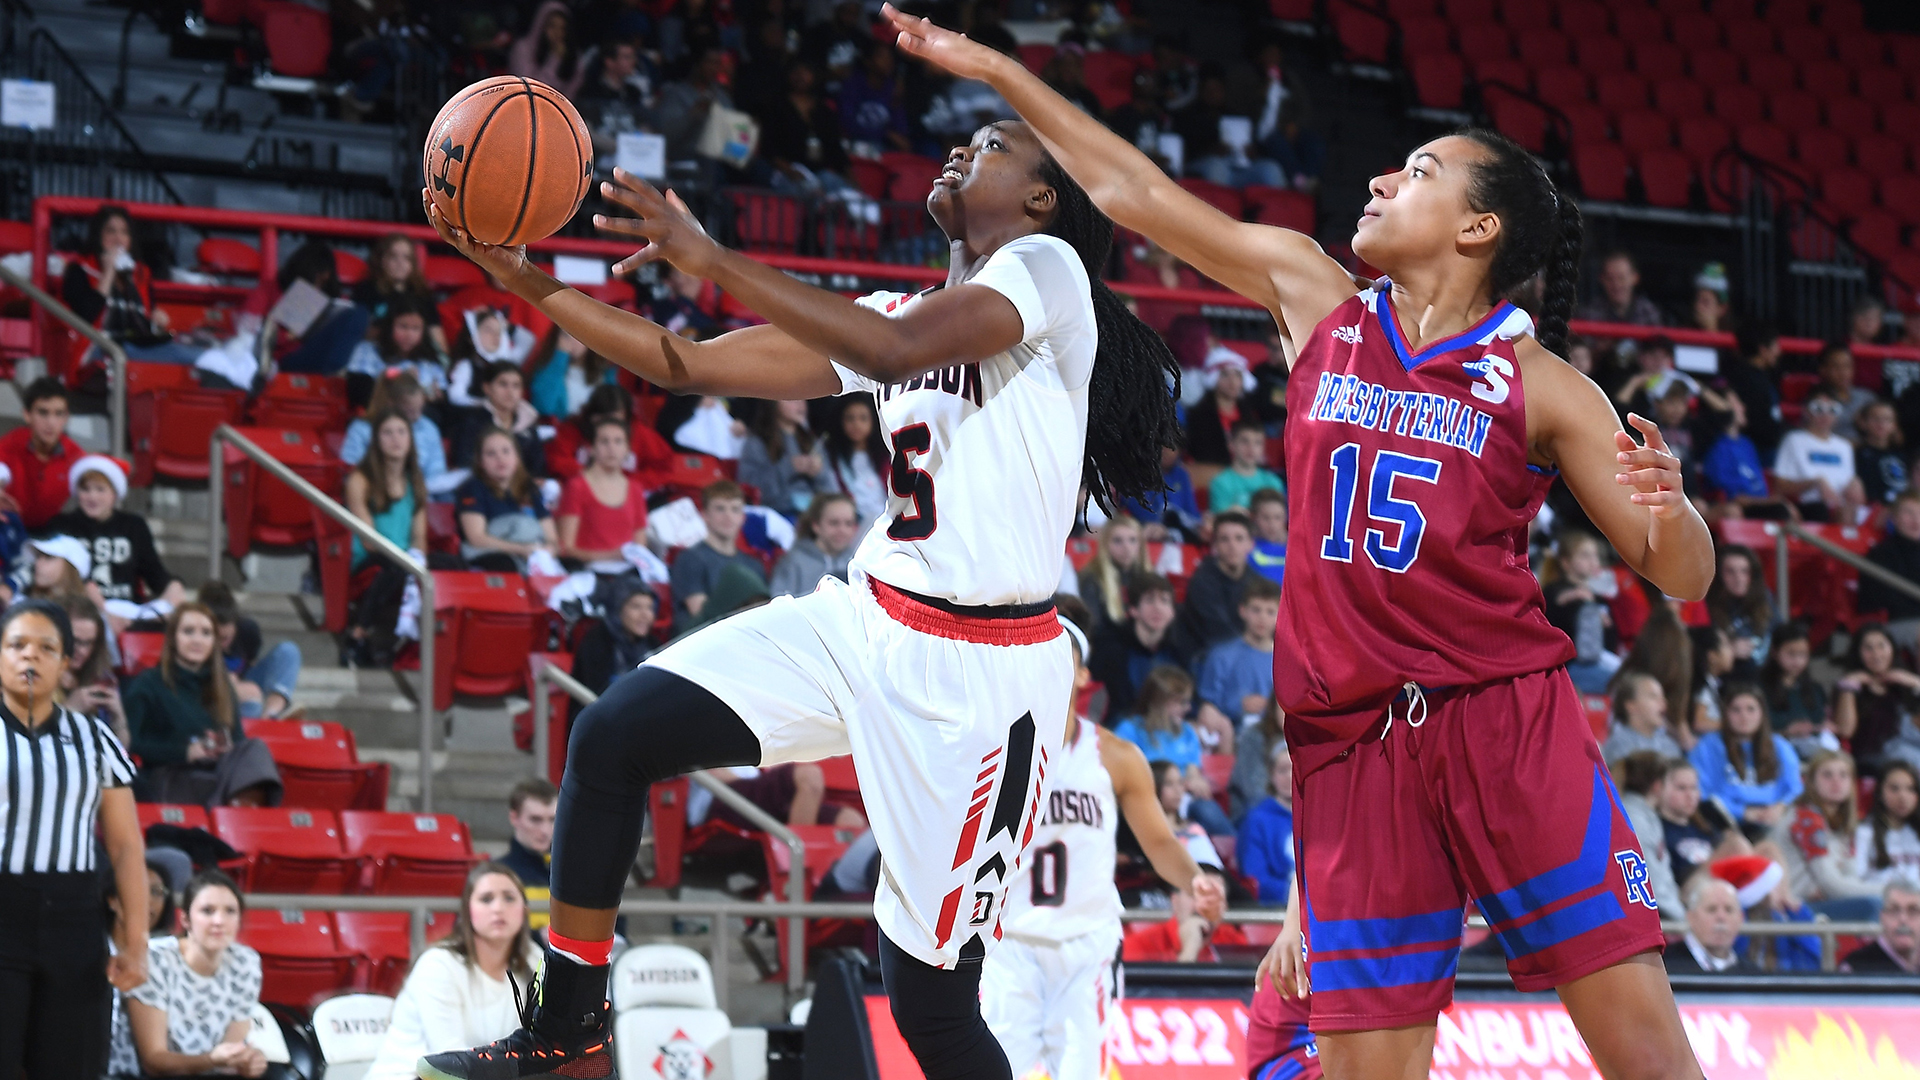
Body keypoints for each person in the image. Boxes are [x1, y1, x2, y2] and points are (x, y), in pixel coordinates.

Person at [856, 52, 1729, 1059]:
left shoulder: (1543, 384)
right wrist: (996, 69)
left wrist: (1675, 514)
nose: (1381, 181)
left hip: (1504, 723)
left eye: (1417, 172)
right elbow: (1136, 193)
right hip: (1353, 752)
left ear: (1475, 228)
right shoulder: (1318, 300)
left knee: (1648, 1056)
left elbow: (1683, 575)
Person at [420, 104, 1183, 1080]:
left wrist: (711, 258)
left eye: (994, 146)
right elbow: (682, 361)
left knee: (934, 1007)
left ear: (1041, 195)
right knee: (612, 735)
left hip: (981, 684)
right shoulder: (899, 318)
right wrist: (522, 280)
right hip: (863, 620)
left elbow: (891, 355)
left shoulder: (1047, 272)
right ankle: (569, 1026)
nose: (962, 149)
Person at [981, 611, 1219, 1080]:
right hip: (1008, 942)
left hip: (1085, 944)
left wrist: (1197, 880)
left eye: (1060, 651)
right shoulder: (990, 745)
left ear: (1083, 673)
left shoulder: (1116, 756)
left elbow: (1157, 841)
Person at [0, 599, 147, 1080]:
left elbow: (125, 847)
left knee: (72, 1066)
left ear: (66, 664)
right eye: (17, 644)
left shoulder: (96, 739)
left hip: (74, 922)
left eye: (46, 648)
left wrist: (137, 943)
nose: (30, 657)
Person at [368, 863, 543, 1080]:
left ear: (524, 910)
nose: (498, 908)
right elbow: (451, 1062)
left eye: (509, 898)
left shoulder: (534, 960)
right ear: (467, 912)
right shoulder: (438, 965)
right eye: (486, 899)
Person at [125, 603, 281, 809]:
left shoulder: (222, 686)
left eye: (206, 633)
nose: (197, 640)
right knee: (215, 782)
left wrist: (225, 747)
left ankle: (240, 821)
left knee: (255, 748)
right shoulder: (149, 683)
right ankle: (235, 820)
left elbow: (239, 742)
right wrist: (186, 752)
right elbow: (131, 743)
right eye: (188, 632)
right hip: (171, 775)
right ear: (172, 638)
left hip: (218, 771)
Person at [122, 870, 265, 1079]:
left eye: (230, 911)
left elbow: (230, 1054)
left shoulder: (246, 962)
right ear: (186, 919)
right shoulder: (154, 959)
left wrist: (247, 1062)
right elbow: (153, 1061)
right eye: (207, 911)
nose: (219, 921)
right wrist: (210, 1060)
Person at [59, 205, 200, 364]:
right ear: (98, 236)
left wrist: (157, 321)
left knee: (189, 354)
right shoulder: (79, 269)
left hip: (137, 348)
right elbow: (84, 317)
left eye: (124, 232)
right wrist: (108, 273)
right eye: (111, 231)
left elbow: (142, 325)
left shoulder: (140, 274)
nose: (119, 238)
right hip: (97, 349)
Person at [47, 454, 186, 614]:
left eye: (100, 489)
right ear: (77, 492)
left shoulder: (134, 526)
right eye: (86, 489)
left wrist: (174, 586)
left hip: (128, 612)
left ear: (114, 493)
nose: (93, 497)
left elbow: (155, 574)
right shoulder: (62, 525)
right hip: (79, 612)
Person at [342, 410, 428, 667]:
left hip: (404, 558)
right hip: (371, 557)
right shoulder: (360, 479)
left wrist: (418, 558)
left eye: (402, 432)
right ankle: (360, 632)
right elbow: (368, 539)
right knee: (395, 567)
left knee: (452, 566)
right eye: (387, 433)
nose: (395, 439)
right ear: (376, 440)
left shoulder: (415, 481)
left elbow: (420, 535)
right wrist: (408, 561)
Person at [1111, 667, 1234, 836]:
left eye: (1188, 701)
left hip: (1181, 798)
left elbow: (1192, 771)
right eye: (1181, 702)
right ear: (1159, 700)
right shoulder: (1129, 730)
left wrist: (1195, 781)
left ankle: (1231, 857)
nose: (1188, 708)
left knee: (1206, 808)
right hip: (1146, 799)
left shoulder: (1187, 732)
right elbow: (1120, 773)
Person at [1689, 684, 1802, 838]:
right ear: (1725, 714)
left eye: (1751, 709)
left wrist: (1780, 807)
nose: (1744, 716)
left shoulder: (1780, 746)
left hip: (1774, 818)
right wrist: (1743, 812)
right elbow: (1700, 793)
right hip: (1724, 823)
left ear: (1762, 713)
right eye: (1736, 710)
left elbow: (1796, 788)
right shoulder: (1707, 746)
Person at [1775, 749, 1883, 911]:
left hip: (1820, 902)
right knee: (1878, 906)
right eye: (1827, 775)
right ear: (1811, 782)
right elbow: (1832, 885)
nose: (1836, 782)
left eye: (1843, 775)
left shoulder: (1844, 825)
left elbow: (1849, 877)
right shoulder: (1806, 819)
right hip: (1794, 906)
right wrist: (1890, 891)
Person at [1087, 572, 1195, 723]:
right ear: (1133, 610)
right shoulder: (1111, 650)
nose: (1157, 608)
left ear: (1172, 612)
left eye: (1164, 601)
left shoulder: (1180, 651)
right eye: (1149, 600)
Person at [455, 429, 557, 575]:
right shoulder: (472, 488)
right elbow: (476, 538)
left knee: (574, 567)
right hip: (490, 555)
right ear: (480, 462)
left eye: (506, 451)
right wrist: (523, 550)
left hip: (532, 553)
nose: (500, 459)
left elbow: (552, 538)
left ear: (517, 457)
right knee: (506, 565)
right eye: (491, 454)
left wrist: (548, 551)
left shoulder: (530, 489)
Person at [341, 372, 457, 497]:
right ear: (391, 404)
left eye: (420, 409)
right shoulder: (361, 428)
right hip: (374, 492)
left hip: (422, 494)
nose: (416, 416)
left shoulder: (429, 427)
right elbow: (350, 469)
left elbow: (436, 472)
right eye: (410, 411)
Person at [1194, 574, 1281, 740]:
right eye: (1256, 610)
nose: (1262, 617)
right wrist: (1238, 705)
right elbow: (1208, 706)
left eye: (1270, 612)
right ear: (1243, 611)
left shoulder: (1288, 661)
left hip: (1275, 739)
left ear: (1280, 615)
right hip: (1230, 735)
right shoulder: (1221, 656)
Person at [198, 583, 301, 722]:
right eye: (215, 638)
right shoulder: (197, 639)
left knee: (288, 650)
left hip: (243, 683)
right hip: (210, 691)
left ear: (234, 622)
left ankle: (272, 714)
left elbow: (251, 662)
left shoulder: (248, 630)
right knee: (251, 692)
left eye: (225, 638)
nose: (220, 644)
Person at [667, 480, 766, 626]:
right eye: (720, 509)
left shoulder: (754, 565)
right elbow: (701, 616)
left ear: (742, 517)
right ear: (705, 515)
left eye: (735, 509)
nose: (728, 516)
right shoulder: (689, 559)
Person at [554, 419, 649, 567]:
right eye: (604, 442)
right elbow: (565, 548)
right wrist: (612, 556)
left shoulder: (636, 489)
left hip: (627, 573)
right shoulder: (577, 486)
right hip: (586, 571)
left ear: (627, 449)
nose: (611, 448)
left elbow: (640, 546)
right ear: (591, 448)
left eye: (618, 442)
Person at [1542, 531, 1623, 694]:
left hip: (1600, 661)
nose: (1593, 561)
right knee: (1623, 686)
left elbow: (1611, 638)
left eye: (1595, 555)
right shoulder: (1554, 591)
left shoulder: (1599, 597)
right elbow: (1556, 604)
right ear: (1566, 563)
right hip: (1569, 667)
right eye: (1585, 555)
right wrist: (1575, 597)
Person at [0, 378, 82, 531]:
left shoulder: (75, 456)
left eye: (58, 414)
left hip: (52, 534)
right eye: (43, 413)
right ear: (27, 415)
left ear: (66, 418)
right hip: (7, 529)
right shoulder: (8, 445)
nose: (51, 422)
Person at [1834, 623, 1920, 768]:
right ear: (1858, 653)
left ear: (1892, 648)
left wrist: (1915, 682)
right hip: (1872, 759)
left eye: (1882, 646)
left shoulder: (1905, 682)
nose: (1876, 654)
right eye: (1868, 648)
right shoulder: (1850, 686)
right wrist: (1849, 686)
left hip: (1910, 752)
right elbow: (1845, 731)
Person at [1772, 390, 1864, 523]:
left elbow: (1848, 485)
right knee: (1840, 512)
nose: (1825, 414)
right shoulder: (1794, 440)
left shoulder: (1845, 446)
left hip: (1841, 507)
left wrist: (1855, 485)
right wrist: (1814, 483)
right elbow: (1780, 486)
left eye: (1832, 410)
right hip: (1809, 506)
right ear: (1806, 411)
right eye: (1818, 408)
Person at [1119, 866, 1244, 962]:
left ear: (1224, 908)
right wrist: (1190, 949)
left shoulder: (1235, 944)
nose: (1202, 904)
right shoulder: (1138, 946)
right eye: (1194, 895)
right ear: (1175, 901)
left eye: (1213, 896)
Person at [1612, 752, 1684, 914]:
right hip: (1658, 913)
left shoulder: (1646, 815)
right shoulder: (1636, 819)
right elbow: (1651, 880)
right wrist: (1681, 917)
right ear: (1658, 786)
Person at [352, 233, 448, 354]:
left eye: (406, 258)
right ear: (382, 260)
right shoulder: (366, 290)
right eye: (393, 257)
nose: (400, 263)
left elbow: (438, 340)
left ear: (413, 264)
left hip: (416, 357)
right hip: (375, 354)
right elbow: (357, 333)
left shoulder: (423, 295)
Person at [346, 297, 449, 405]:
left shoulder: (430, 362)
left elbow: (443, 403)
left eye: (416, 328)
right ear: (389, 326)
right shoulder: (366, 351)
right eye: (403, 326)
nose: (409, 335)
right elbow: (358, 396)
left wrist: (436, 399)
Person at [1178, 510, 1255, 649]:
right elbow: (1220, 634)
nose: (1232, 545)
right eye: (1224, 539)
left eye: (1239, 538)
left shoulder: (1256, 582)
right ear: (1215, 545)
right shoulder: (1201, 582)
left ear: (1251, 544)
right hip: (1206, 656)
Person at [453, 362, 546, 477]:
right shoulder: (472, 420)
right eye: (503, 384)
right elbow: (465, 462)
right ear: (487, 388)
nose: (510, 392)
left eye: (516, 386)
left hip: (522, 485)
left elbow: (538, 467)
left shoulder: (528, 421)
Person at [738, 399, 824, 520]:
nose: (800, 404)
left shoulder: (811, 441)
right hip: (777, 514)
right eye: (792, 399)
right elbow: (751, 489)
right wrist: (789, 467)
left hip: (815, 514)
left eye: (803, 399)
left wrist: (818, 473)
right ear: (772, 403)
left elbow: (831, 489)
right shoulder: (756, 442)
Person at [61, 594, 129, 746]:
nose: (83, 651)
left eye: (89, 643)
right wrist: (68, 710)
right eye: (75, 641)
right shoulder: (35, 678)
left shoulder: (102, 678)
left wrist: (118, 718)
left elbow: (121, 752)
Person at [1238, 741, 1297, 905]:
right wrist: (1298, 897)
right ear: (1272, 775)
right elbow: (1255, 879)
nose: (1289, 775)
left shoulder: (1320, 817)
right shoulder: (1257, 820)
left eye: (1295, 768)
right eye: (1282, 770)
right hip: (1276, 909)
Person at [769, 493, 859, 599]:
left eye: (848, 523)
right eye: (834, 523)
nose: (842, 530)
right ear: (816, 525)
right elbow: (778, 603)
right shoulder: (793, 561)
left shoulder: (857, 561)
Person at [1761, 622, 1832, 756]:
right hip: (1773, 750)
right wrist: (1787, 731)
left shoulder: (1814, 688)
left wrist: (1816, 727)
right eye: (1791, 654)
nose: (1797, 661)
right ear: (1774, 652)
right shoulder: (1759, 687)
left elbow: (1819, 719)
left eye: (1803, 654)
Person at [1661, 876, 1757, 974]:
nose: (1721, 917)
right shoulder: (1664, 968)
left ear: (1741, 918)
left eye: (1729, 910)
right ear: (1691, 917)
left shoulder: (1753, 975)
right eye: (1711, 909)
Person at [821, 396, 890, 528]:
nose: (856, 424)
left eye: (863, 418)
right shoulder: (831, 456)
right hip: (852, 523)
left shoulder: (885, 456)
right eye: (850, 418)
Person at [1706, 545, 1774, 671]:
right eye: (1730, 571)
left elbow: (1780, 638)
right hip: (1725, 677)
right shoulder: (1707, 605)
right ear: (1718, 575)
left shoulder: (1765, 600)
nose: (1738, 578)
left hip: (1764, 678)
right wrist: (1729, 650)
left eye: (1745, 571)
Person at [1862, 492, 1920, 641]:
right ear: (1894, 518)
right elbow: (1882, 602)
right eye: (1909, 512)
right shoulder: (1880, 554)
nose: (1916, 519)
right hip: (1895, 624)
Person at [1184, 349, 1257, 467]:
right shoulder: (1199, 416)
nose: (1232, 382)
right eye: (1225, 375)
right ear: (1213, 378)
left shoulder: (1248, 413)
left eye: (1237, 375)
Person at [1076, 515, 1148, 633]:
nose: (1127, 547)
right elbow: (1094, 627)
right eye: (1117, 540)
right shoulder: (1091, 579)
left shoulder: (1148, 578)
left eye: (1133, 540)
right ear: (1104, 544)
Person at [1855, 761, 1920, 889]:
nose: (1903, 796)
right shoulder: (1864, 833)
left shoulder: (1916, 833)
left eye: (1911, 789)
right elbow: (1857, 879)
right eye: (1894, 788)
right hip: (1880, 903)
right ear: (1879, 792)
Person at [1841, 879, 1920, 974]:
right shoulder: (1855, 968)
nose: (1903, 919)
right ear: (1882, 917)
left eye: (1913, 911)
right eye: (1894, 910)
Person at [508, 1, 585, 98]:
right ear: (541, 25)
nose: (557, 33)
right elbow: (530, 88)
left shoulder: (572, 54)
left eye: (562, 28)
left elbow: (573, 87)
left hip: (558, 108)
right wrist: (554, 59)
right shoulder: (523, 49)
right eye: (552, 26)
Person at [1601, 671, 1683, 761]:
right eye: (1653, 696)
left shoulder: (1669, 745)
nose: (1663, 702)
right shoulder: (1619, 745)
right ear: (1631, 705)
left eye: (1662, 697)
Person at [1208, 420, 1284, 513]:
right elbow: (1221, 521)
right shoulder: (1220, 482)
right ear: (1231, 444)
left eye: (1257, 442)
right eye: (1244, 441)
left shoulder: (1274, 482)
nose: (1251, 448)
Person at [1575, 249, 1665, 327]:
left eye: (1621, 278)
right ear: (1601, 279)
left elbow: (1660, 345)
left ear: (1635, 278)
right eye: (1610, 278)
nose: (1616, 285)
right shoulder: (1589, 314)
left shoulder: (1648, 312)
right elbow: (1580, 344)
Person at [1815, 343, 1876, 440]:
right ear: (1823, 370)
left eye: (1847, 366)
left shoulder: (1867, 398)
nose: (1843, 372)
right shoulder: (1817, 401)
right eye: (1836, 366)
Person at [1855, 399, 1907, 506]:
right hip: (1871, 509)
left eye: (1887, 419)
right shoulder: (1857, 454)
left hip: (1901, 508)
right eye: (1876, 419)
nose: (1881, 424)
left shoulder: (1901, 456)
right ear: (1863, 423)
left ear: (1894, 425)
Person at [1247, 487, 1288, 585]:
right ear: (1253, 517)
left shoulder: (1297, 549)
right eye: (1265, 518)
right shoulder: (1245, 548)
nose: (1272, 524)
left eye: (1277, 517)